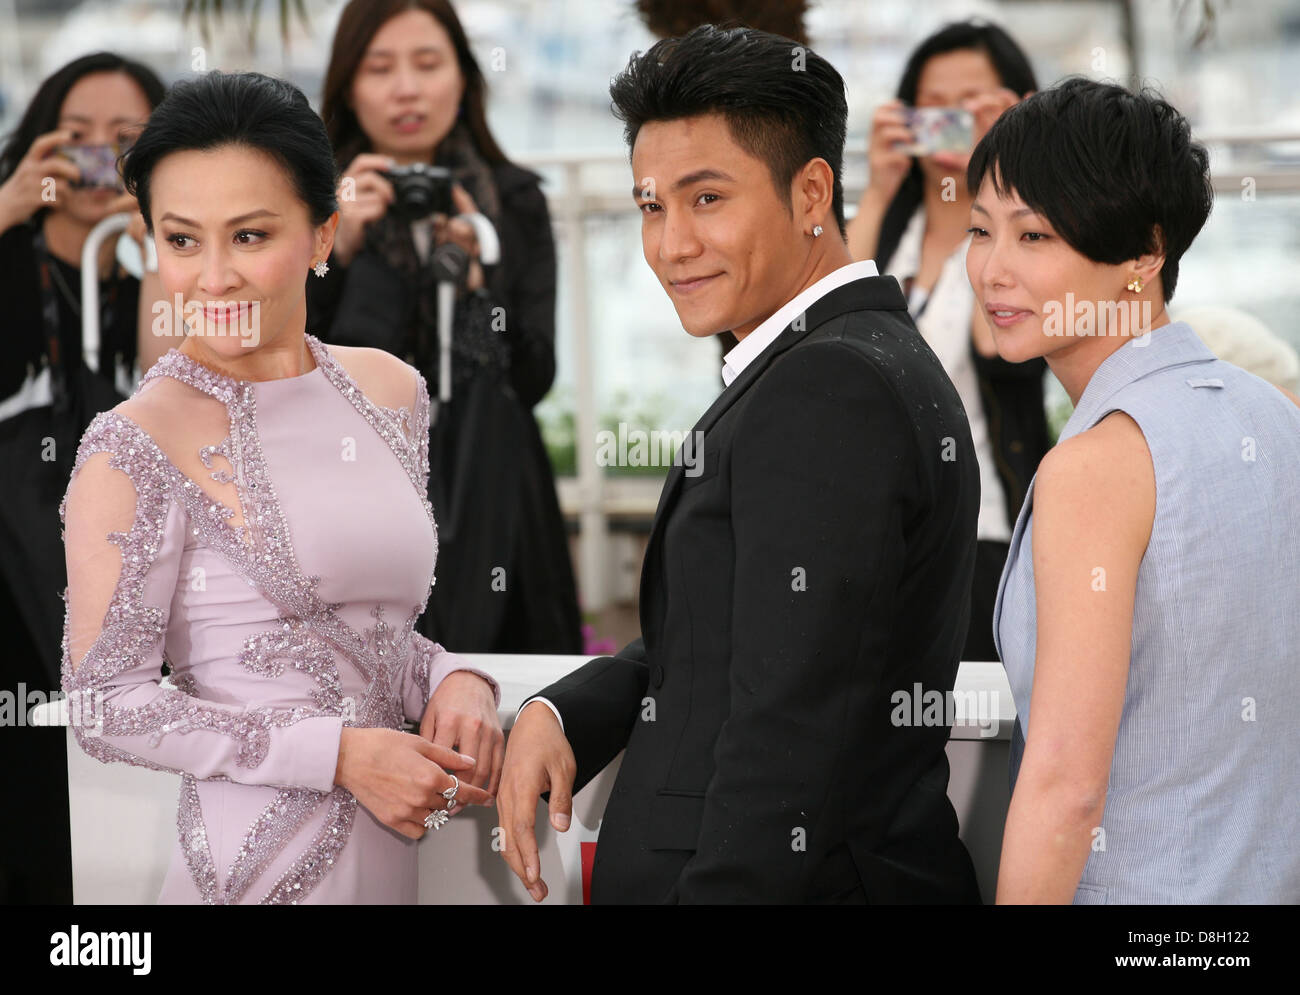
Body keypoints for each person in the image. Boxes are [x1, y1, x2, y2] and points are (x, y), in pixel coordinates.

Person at [497, 25, 983, 904]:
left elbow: (787, 739)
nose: (671, 244)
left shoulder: (829, 385)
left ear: (811, 193)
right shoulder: (847, 356)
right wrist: (563, 709)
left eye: (707, 198)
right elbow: (735, 635)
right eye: (651, 206)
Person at [60, 71, 504, 904]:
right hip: (248, 874)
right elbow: (104, 704)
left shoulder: (391, 392)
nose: (214, 277)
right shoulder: (131, 444)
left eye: (251, 236)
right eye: (182, 240)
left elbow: (371, 633)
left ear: (323, 233)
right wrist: (337, 752)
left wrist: (454, 678)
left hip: (397, 858)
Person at [968, 77, 1300, 903]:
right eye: (981, 230)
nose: (994, 270)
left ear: (1146, 253)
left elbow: (1066, 790)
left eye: (1035, 234)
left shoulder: (1096, 467)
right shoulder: (1275, 414)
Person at [310, 0, 582, 655]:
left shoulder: (512, 200)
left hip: (495, 488)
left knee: (507, 701)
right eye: (380, 68)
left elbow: (533, 375)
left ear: (463, 78)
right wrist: (337, 249)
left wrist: (478, 283)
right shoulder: (311, 206)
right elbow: (300, 373)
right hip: (353, 494)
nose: (407, 87)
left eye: (428, 63)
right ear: (348, 87)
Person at [0, 51, 165, 905]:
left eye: (127, 143)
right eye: (77, 140)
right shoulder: (11, 253)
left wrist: (165, 250)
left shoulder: (160, 267)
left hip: (125, 584)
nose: (100, 160)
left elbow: (177, 405)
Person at [845, 21, 1048, 663]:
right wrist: (876, 190)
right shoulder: (890, 232)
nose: (951, 120)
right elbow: (820, 331)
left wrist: (1007, 167)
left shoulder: (1036, 240)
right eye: (933, 105)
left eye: (972, 105)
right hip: (863, 540)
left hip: (979, 536)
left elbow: (1002, 348)